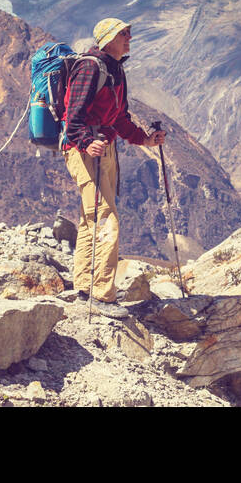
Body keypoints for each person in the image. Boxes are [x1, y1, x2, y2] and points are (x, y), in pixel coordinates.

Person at [61, 17, 164, 319]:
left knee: (90, 219)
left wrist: (144, 139)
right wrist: (84, 141)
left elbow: (119, 118)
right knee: (106, 219)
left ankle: (84, 287)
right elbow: (72, 116)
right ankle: (103, 297)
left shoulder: (116, 69)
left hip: (104, 149)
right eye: (123, 35)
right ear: (107, 38)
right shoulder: (89, 67)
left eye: (129, 34)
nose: (129, 39)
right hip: (86, 151)